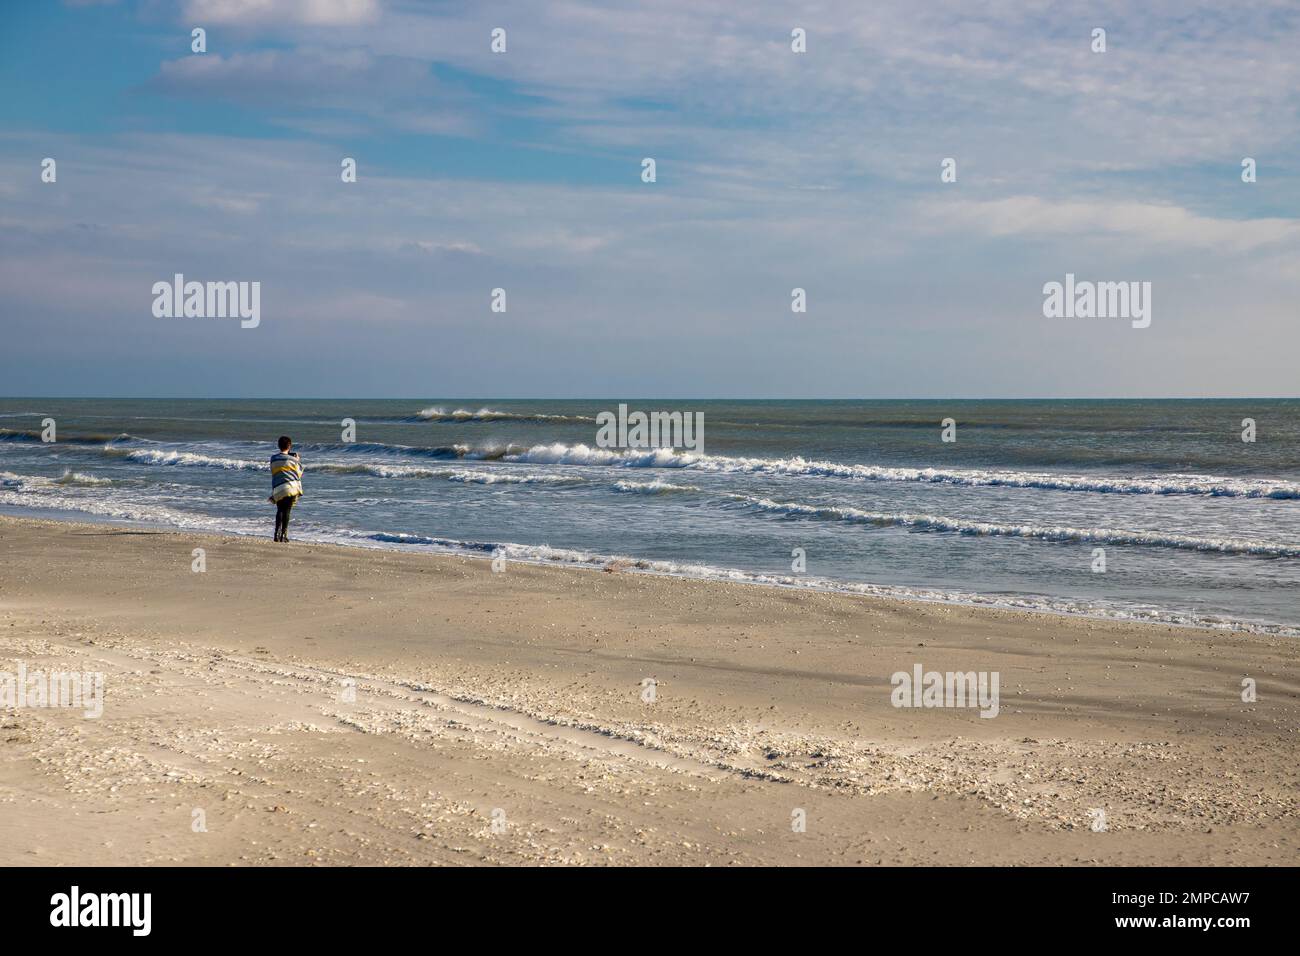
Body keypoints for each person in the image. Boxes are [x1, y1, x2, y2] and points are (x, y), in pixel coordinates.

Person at [268, 435, 303, 542]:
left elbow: (275, 471)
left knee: (279, 510)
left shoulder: (273, 458)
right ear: (290, 446)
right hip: (290, 488)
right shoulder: (294, 460)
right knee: (287, 511)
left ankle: (276, 534)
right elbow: (298, 473)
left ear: (279, 446)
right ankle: (284, 535)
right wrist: (297, 460)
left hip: (278, 488)